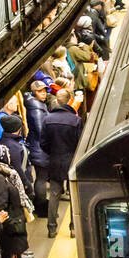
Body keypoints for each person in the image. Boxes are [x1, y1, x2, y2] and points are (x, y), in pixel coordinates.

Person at [40, 92, 82, 239]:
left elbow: (43, 143)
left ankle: (51, 229)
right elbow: (80, 144)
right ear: (70, 101)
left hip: (54, 160)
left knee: (54, 194)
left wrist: (53, 153)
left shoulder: (48, 119)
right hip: (71, 160)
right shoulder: (76, 121)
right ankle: (74, 228)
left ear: (57, 102)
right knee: (74, 197)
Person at [24, 81, 50, 216]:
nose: (44, 93)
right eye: (40, 91)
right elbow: (41, 131)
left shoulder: (36, 105)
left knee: (41, 177)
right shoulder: (37, 109)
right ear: (34, 92)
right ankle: (41, 207)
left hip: (36, 146)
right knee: (41, 178)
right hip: (40, 149)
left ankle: (40, 204)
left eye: (45, 90)